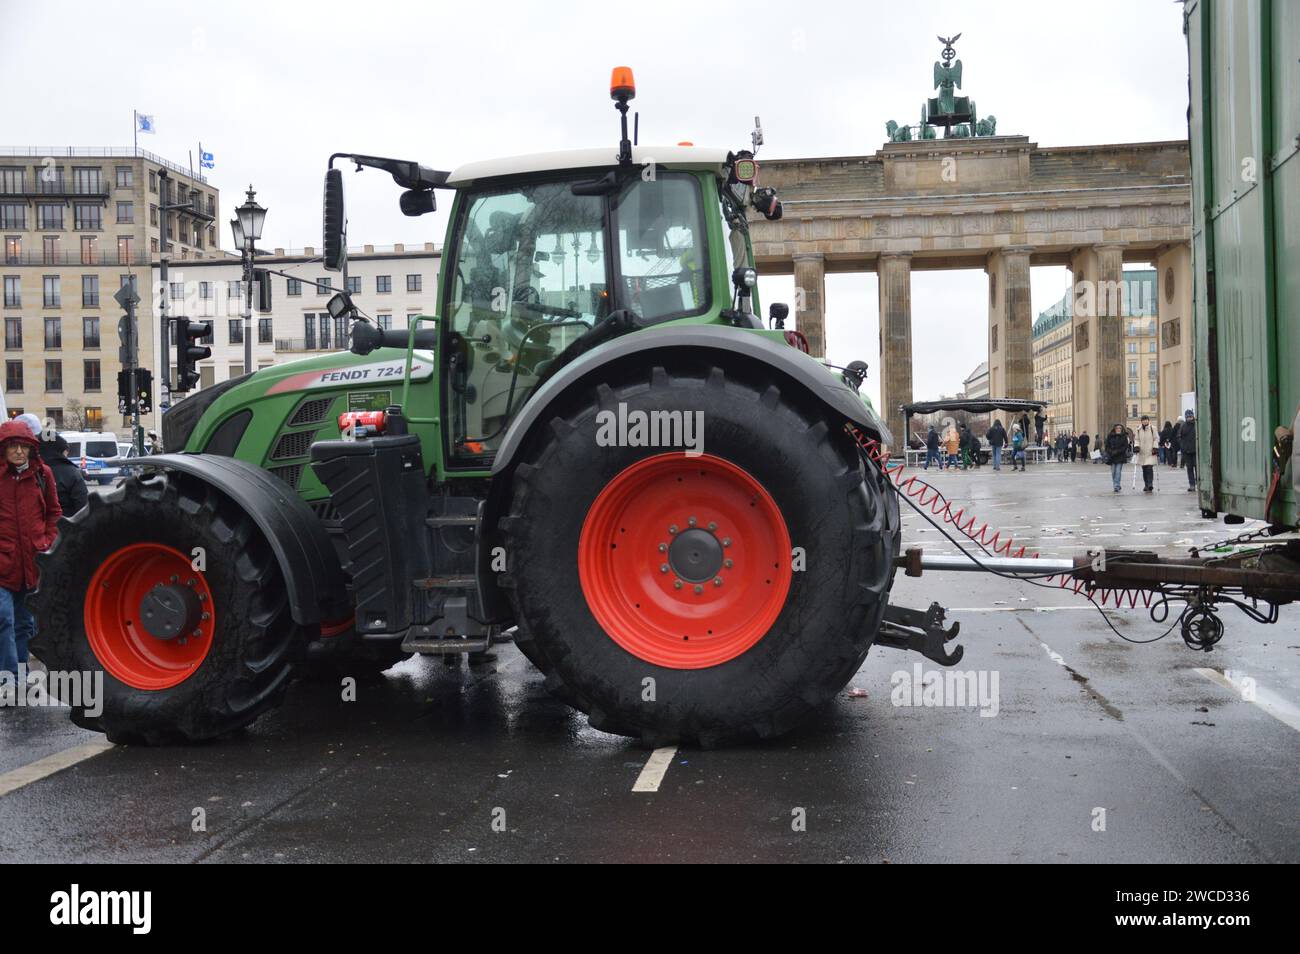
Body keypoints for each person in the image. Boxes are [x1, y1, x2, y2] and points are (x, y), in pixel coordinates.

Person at [0, 419, 62, 701]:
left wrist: (47, 541)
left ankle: (21, 675)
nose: (18, 452)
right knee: (4, 619)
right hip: (3, 564)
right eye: (12, 447)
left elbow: (53, 512)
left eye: (23, 447)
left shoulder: (43, 474)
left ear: (31, 448)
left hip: (32, 563)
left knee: (26, 624)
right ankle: (9, 680)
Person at [39, 433, 89, 516]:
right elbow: (83, 506)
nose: (67, 455)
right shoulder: (71, 473)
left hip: (36, 525)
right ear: (60, 451)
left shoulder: (32, 470)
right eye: (66, 452)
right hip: (66, 523)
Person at [1135, 415, 1159, 492]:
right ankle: (1146, 484)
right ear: (1141, 421)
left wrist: (1155, 447)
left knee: (1149, 468)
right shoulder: (1138, 429)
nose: (1145, 421)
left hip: (1150, 452)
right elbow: (1136, 439)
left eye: (1146, 420)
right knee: (1144, 469)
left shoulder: (1153, 428)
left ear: (1148, 421)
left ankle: (1150, 484)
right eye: (1143, 420)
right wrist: (1136, 446)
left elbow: (1156, 438)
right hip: (1142, 452)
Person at [1104, 424, 1129, 492]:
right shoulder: (1110, 436)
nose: (1118, 429)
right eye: (1117, 428)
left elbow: (1125, 446)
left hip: (1120, 456)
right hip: (1112, 457)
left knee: (1118, 472)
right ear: (1114, 429)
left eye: (1120, 428)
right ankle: (1116, 484)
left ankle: (1116, 486)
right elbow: (1107, 446)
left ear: (1121, 429)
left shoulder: (1124, 436)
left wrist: (1117, 451)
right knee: (1113, 472)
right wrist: (1110, 451)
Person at [1180, 409, 1198, 492]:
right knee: (1189, 468)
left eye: (1190, 416)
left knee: (1197, 468)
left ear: (1193, 416)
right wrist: (1182, 446)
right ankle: (1192, 485)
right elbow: (1179, 437)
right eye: (1188, 417)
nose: (1189, 418)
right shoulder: (1183, 426)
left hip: (1196, 451)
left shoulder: (1197, 424)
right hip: (1187, 451)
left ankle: (1198, 483)